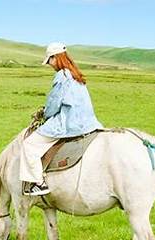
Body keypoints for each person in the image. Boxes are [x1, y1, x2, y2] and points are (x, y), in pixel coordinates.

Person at [20, 42, 103, 196]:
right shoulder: (75, 73)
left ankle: (37, 183)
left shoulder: (62, 75)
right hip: (89, 122)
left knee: (29, 144)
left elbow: (53, 104)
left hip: (69, 122)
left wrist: (44, 116)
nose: (50, 65)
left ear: (55, 57)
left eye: (49, 60)